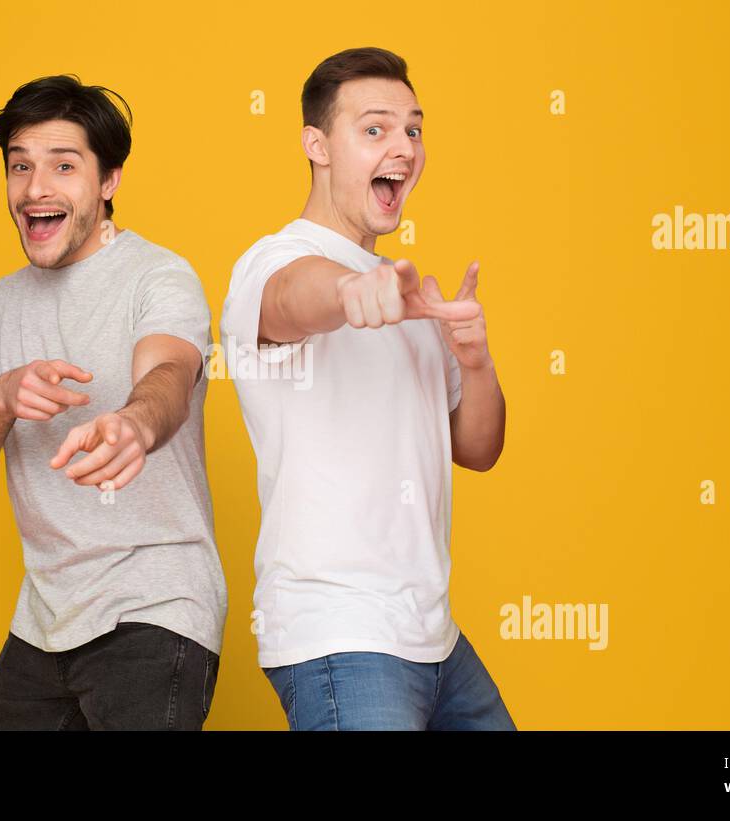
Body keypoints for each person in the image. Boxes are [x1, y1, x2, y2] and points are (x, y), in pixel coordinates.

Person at [220, 47, 515, 730]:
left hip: (434, 639)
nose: (404, 148)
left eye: (413, 129)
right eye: (375, 129)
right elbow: (292, 300)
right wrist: (352, 290)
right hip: (340, 635)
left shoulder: (410, 297)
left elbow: (477, 448)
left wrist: (474, 360)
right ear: (316, 145)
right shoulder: (274, 261)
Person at [0, 75, 225, 730]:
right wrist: (2, 396)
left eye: (63, 166)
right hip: (44, 622)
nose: (35, 188)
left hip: (153, 607)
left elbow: (170, 373)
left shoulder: (159, 276)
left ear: (108, 181)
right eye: (20, 167)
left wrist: (134, 423)